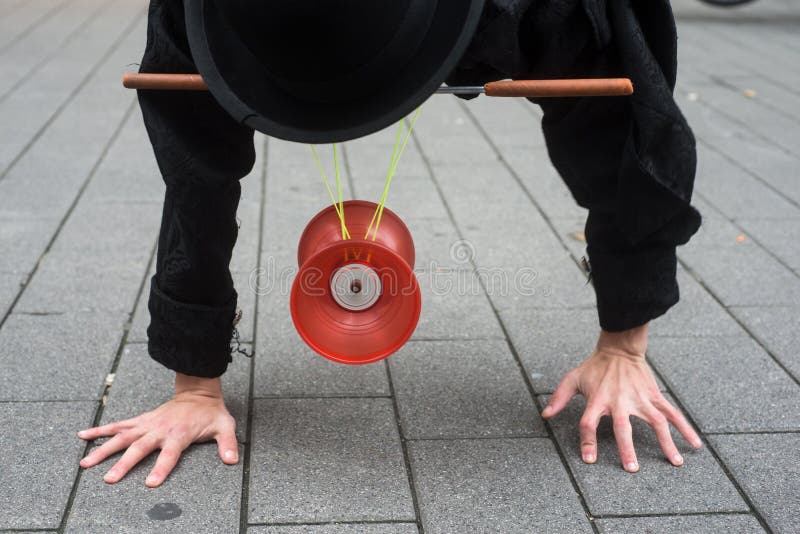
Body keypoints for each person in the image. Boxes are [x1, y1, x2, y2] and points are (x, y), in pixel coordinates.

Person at [77, 0, 704, 488]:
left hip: (479, 25)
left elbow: (636, 129)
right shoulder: (196, 19)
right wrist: (194, 386)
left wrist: (625, 345)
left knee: (609, 97)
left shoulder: (543, 7)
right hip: (257, 41)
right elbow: (194, 176)